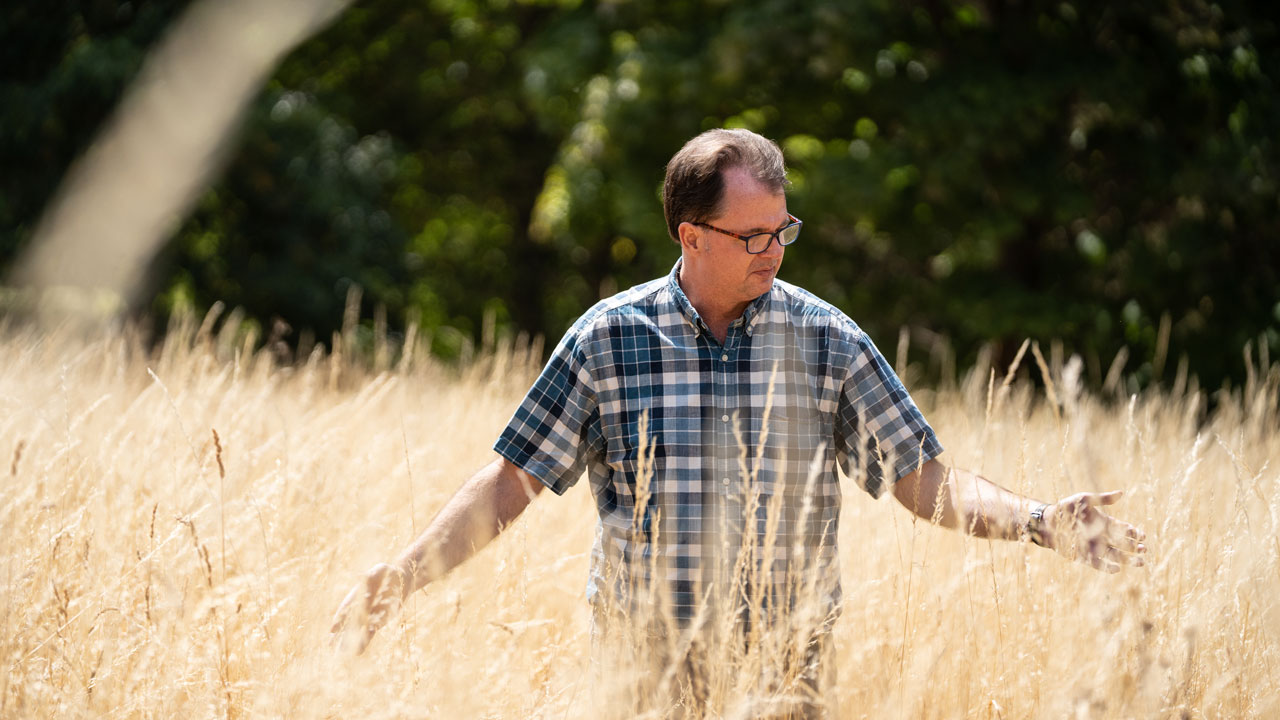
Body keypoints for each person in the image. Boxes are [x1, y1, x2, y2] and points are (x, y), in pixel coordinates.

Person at [331, 128, 1147, 717]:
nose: (774, 249)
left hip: (784, 669)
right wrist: (398, 580)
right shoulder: (609, 338)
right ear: (691, 235)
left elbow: (921, 477)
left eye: (782, 230)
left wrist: (1039, 522)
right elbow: (513, 480)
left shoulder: (829, 340)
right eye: (753, 234)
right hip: (642, 668)